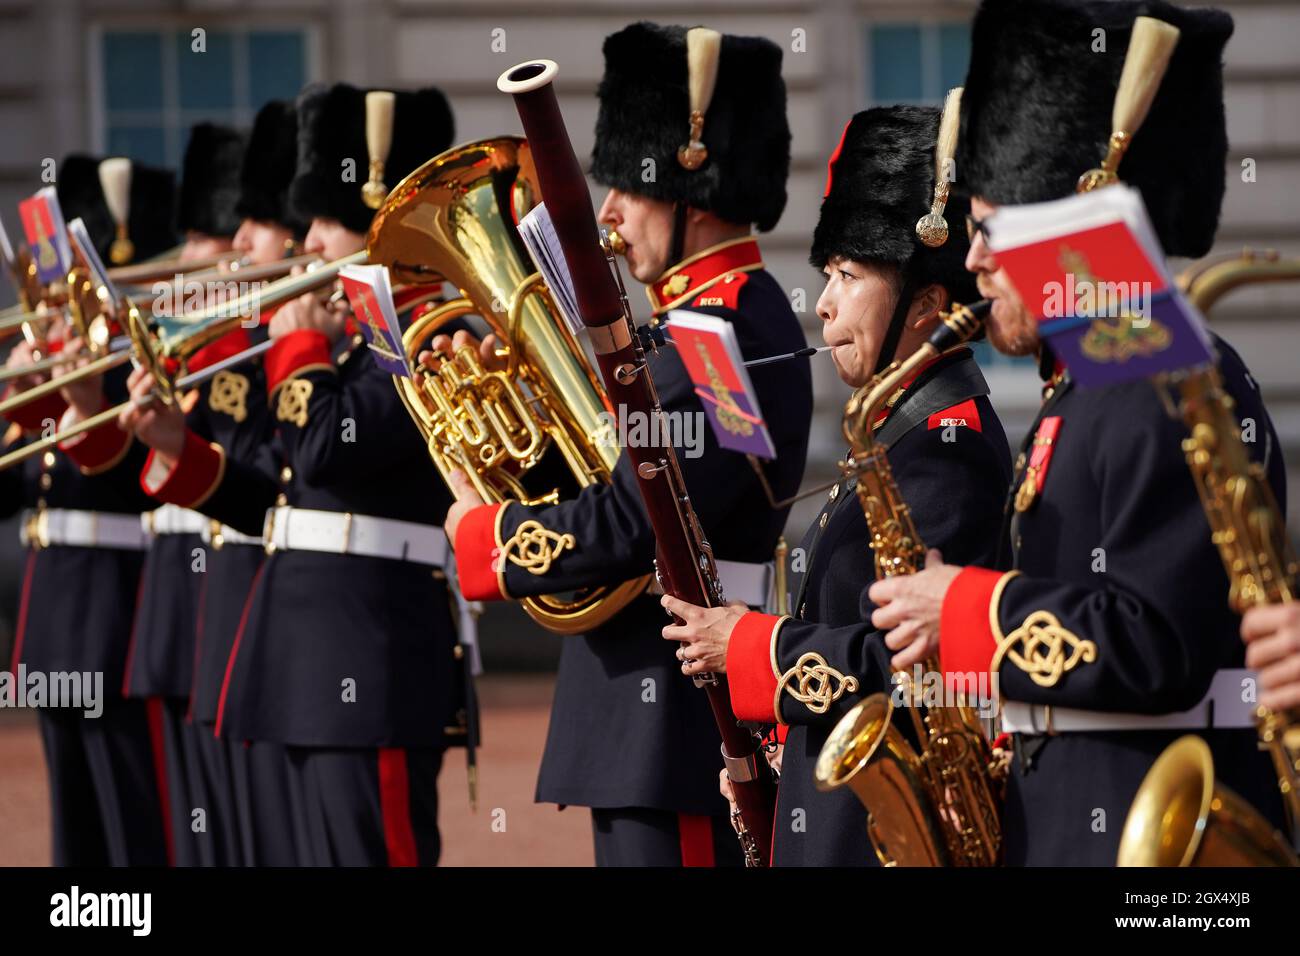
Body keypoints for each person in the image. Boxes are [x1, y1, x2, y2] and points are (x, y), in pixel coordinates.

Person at [866, 0, 1286, 865]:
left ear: (1069, 226)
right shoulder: (1093, 380)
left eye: (989, 231)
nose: (973, 263)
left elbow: (1153, 640)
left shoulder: (1152, 375)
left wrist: (965, 608)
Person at [447, 21, 812, 866]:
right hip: (646, 711)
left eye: (627, 190)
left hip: (678, 716)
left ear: (695, 186)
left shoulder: (725, 333)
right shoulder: (694, 328)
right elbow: (619, 478)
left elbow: (642, 518)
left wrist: (489, 541)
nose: (606, 214)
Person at [117, 83, 465, 866]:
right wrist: (178, 445)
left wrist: (294, 347)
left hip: (367, 669)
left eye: (326, 220)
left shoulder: (427, 336)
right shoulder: (344, 342)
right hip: (297, 665)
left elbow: (324, 450)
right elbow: (275, 501)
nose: (306, 239)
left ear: (383, 220)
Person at [662, 103, 1011, 865]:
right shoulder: (899, 437)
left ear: (926, 308)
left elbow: (914, 669)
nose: (822, 303)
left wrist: (751, 648)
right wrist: (792, 747)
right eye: (828, 275)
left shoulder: (949, 453)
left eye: (850, 276)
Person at [1, 156, 176, 866]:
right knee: (75, 829)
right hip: (55, 613)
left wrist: (78, 397)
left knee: (131, 809)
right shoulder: (57, 356)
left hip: (119, 605)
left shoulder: (135, 352)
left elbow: (130, 474)